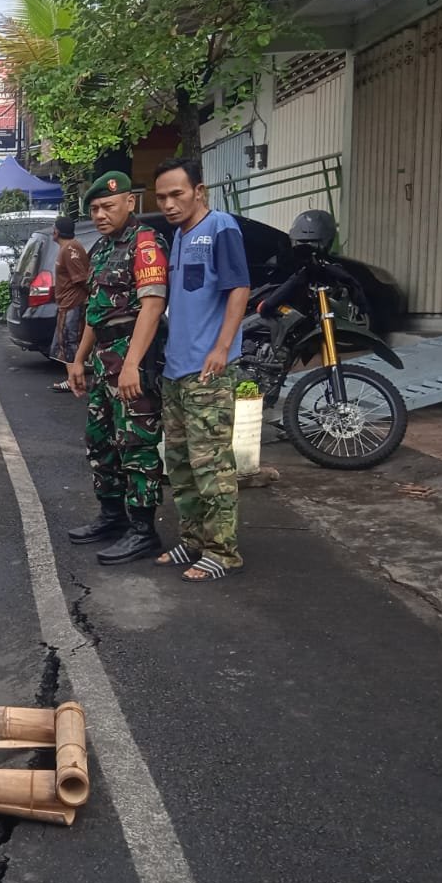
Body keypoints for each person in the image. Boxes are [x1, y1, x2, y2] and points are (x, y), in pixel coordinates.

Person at [151, 157, 249, 582]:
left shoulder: (220, 227)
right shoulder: (178, 236)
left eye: (177, 194)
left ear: (198, 191)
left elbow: (238, 288)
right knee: (181, 465)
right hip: (176, 372)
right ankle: (192, 539)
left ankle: (222, 551)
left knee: (212, 467)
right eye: (162, 197)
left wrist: (222, 348)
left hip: (207, 372)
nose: (170, 204)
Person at [65, 170, 168, 565]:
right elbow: (96, 312)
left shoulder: (145, 244)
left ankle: (143, 530)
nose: (101, 214)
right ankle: (112, 517)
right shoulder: (103, 250)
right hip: (103, 358)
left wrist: (132, 365)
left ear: (130, 201)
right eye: (94, 209)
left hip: (131, 356)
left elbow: (153, 305)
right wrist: (78, 359)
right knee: (101, 441)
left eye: (108, 205)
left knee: (136, 445)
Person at [49, 216, 90, 392]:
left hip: (71, 304)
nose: (52, 230)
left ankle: (75, 381)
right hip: (66, 303)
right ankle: (72, 378)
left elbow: (81, 279)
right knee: (64, 343)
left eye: (54, 228)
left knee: (69, 342)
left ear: (57, 231)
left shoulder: (71, 249)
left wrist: (83, 299)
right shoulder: (67, 248)